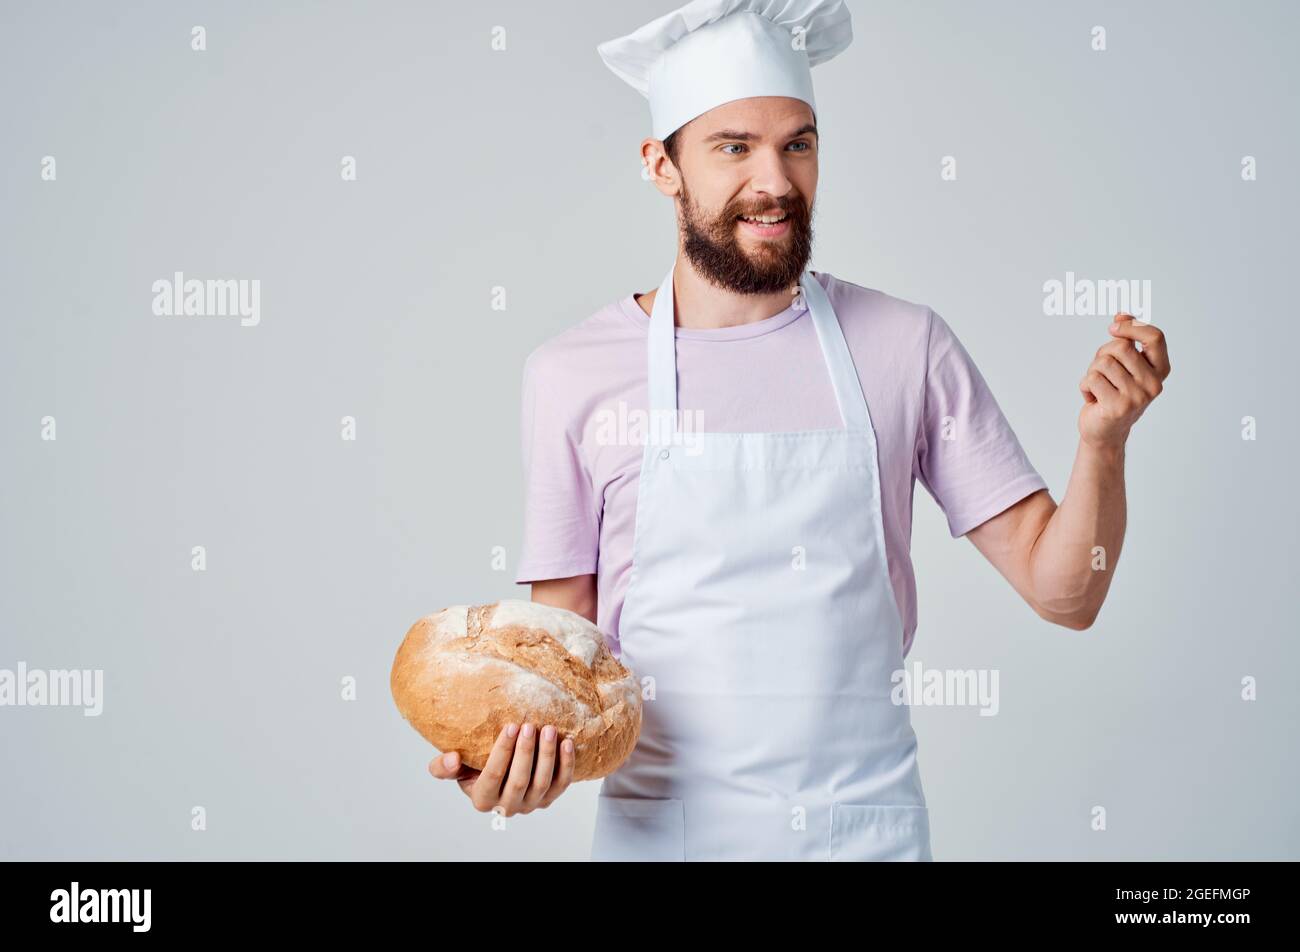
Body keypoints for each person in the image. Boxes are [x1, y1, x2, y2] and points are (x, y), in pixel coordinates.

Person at [429, 0, 1171, 860]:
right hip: (665, 843)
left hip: (865, 842)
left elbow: (1065, 593)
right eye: (733, 147)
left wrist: (1103, 444)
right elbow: (562, 673)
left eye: (799, 143)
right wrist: (515, 770)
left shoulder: (904, 345)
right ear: (661, 167)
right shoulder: (573, 375)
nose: (775, 182)